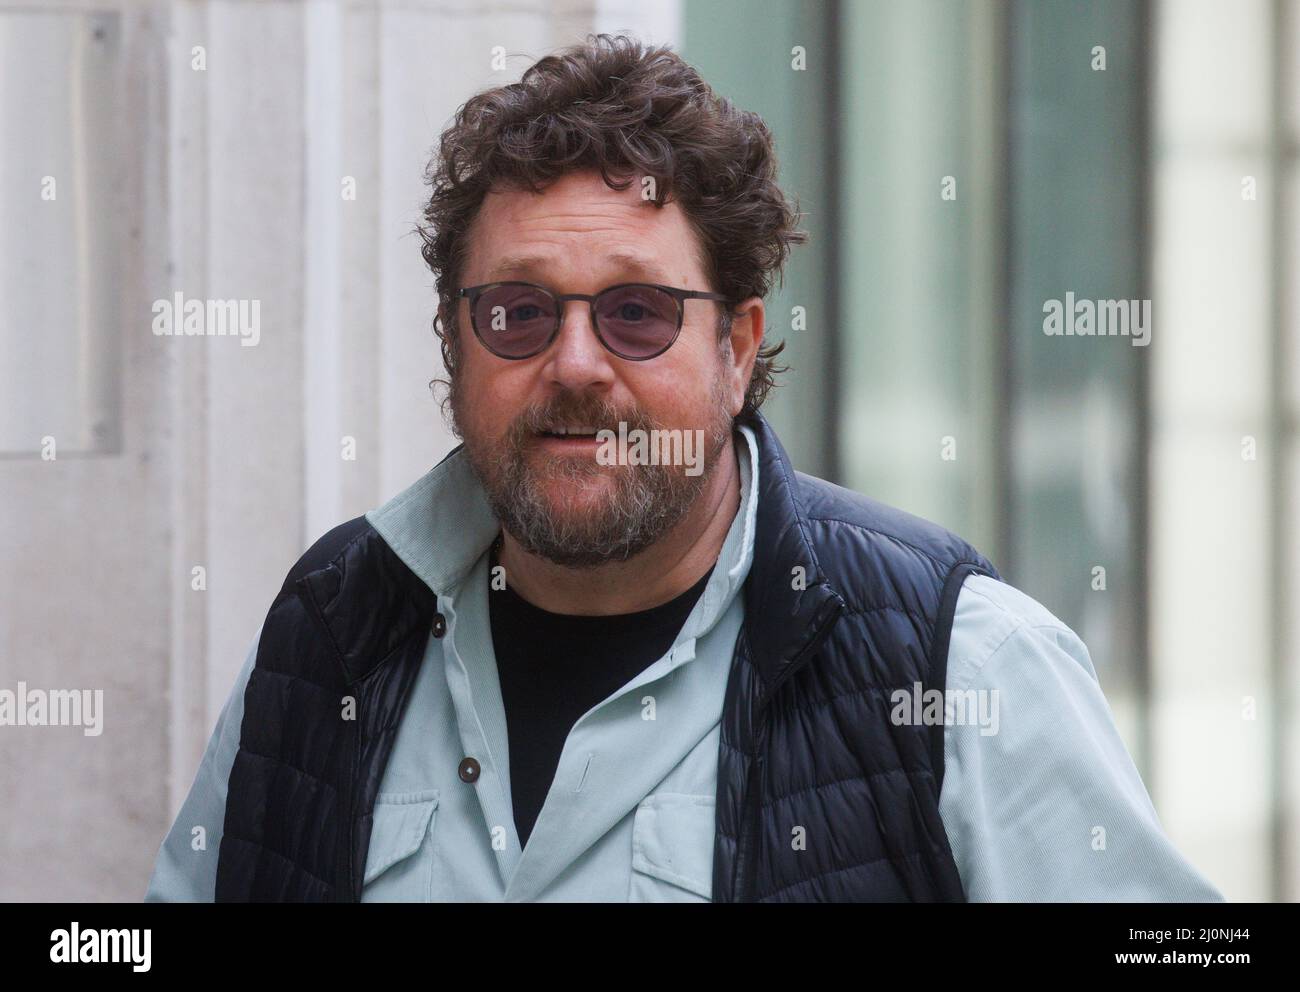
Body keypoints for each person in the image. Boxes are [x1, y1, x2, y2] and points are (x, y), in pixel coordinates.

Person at [146, 33, 1221, 903]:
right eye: (518, 312)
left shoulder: (956, 665)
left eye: (637, 313)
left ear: (738, 344)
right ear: (453, 342)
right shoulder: (331, 635)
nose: (575, 366)